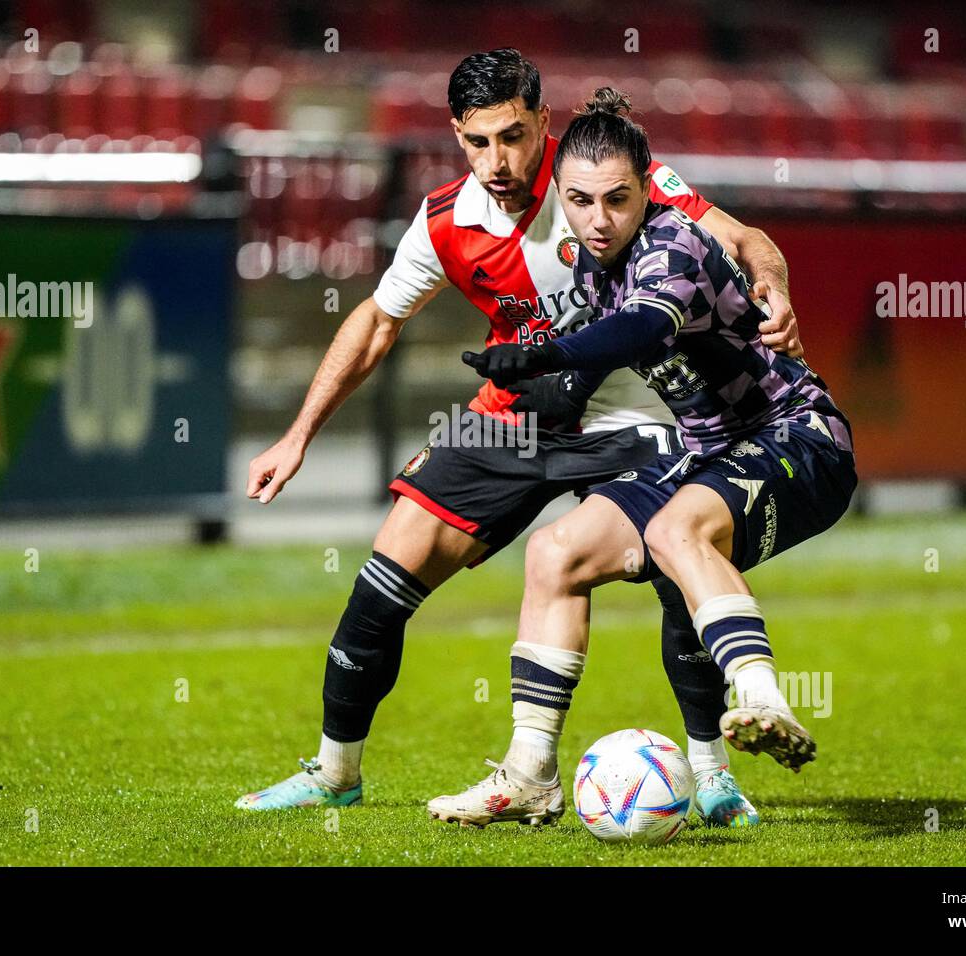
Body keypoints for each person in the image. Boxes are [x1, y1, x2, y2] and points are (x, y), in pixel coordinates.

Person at [236, 52, 802, 828]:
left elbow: (744, 239)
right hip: (513, 415)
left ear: (543, 120)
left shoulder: (600, 183)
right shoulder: (445, 222)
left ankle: (711, 774)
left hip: (636, 414)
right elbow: (376, 322)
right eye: (477, 143)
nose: (496, 162)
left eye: (511, 136)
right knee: (382, 579)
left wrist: (775, 293)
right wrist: (297, 435)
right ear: (456, 136)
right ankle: (336, 772)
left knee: (678, 561)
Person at [436, 87, 856, 826]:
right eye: (580, 201)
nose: (599, 220)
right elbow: (597, 354)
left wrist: (543, 354)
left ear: (646, 188)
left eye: (618, 200)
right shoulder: (594, 261)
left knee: (674, 533)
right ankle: (530, 772)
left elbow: (637, 329)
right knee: (555, 553)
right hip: (710, 451)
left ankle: (761, 699)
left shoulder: (674, 244)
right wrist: (553, 395)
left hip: (799, 437)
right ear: (559, 195)